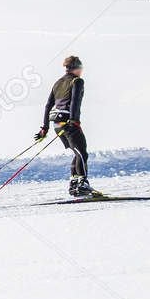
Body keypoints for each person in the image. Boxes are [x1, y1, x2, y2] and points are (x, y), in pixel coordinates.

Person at [36, 54, 100, 198]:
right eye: (81, 67)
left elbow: (48, 106)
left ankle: (74, 185)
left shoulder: (58, 82)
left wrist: (44, 128)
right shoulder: (77, 81)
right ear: (76, 68)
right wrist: (73, 121)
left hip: (57, 125)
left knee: (77, 153)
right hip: (69, 123)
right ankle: (82, 184)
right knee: (82, 153)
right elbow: (75, 102)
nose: (82, 70)